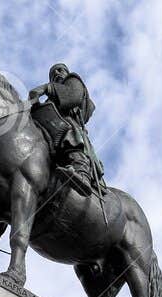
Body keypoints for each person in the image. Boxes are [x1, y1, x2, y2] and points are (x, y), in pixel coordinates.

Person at [28, 64, 107, 197]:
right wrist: (34, 106)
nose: (57, 73)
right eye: (53, 73)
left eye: (60, 70)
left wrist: (47, 87)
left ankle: (82, 173)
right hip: (52, 135)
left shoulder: (73, 81)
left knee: (69, 134)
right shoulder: (51, 98)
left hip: (70, 127)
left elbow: (73, 96)